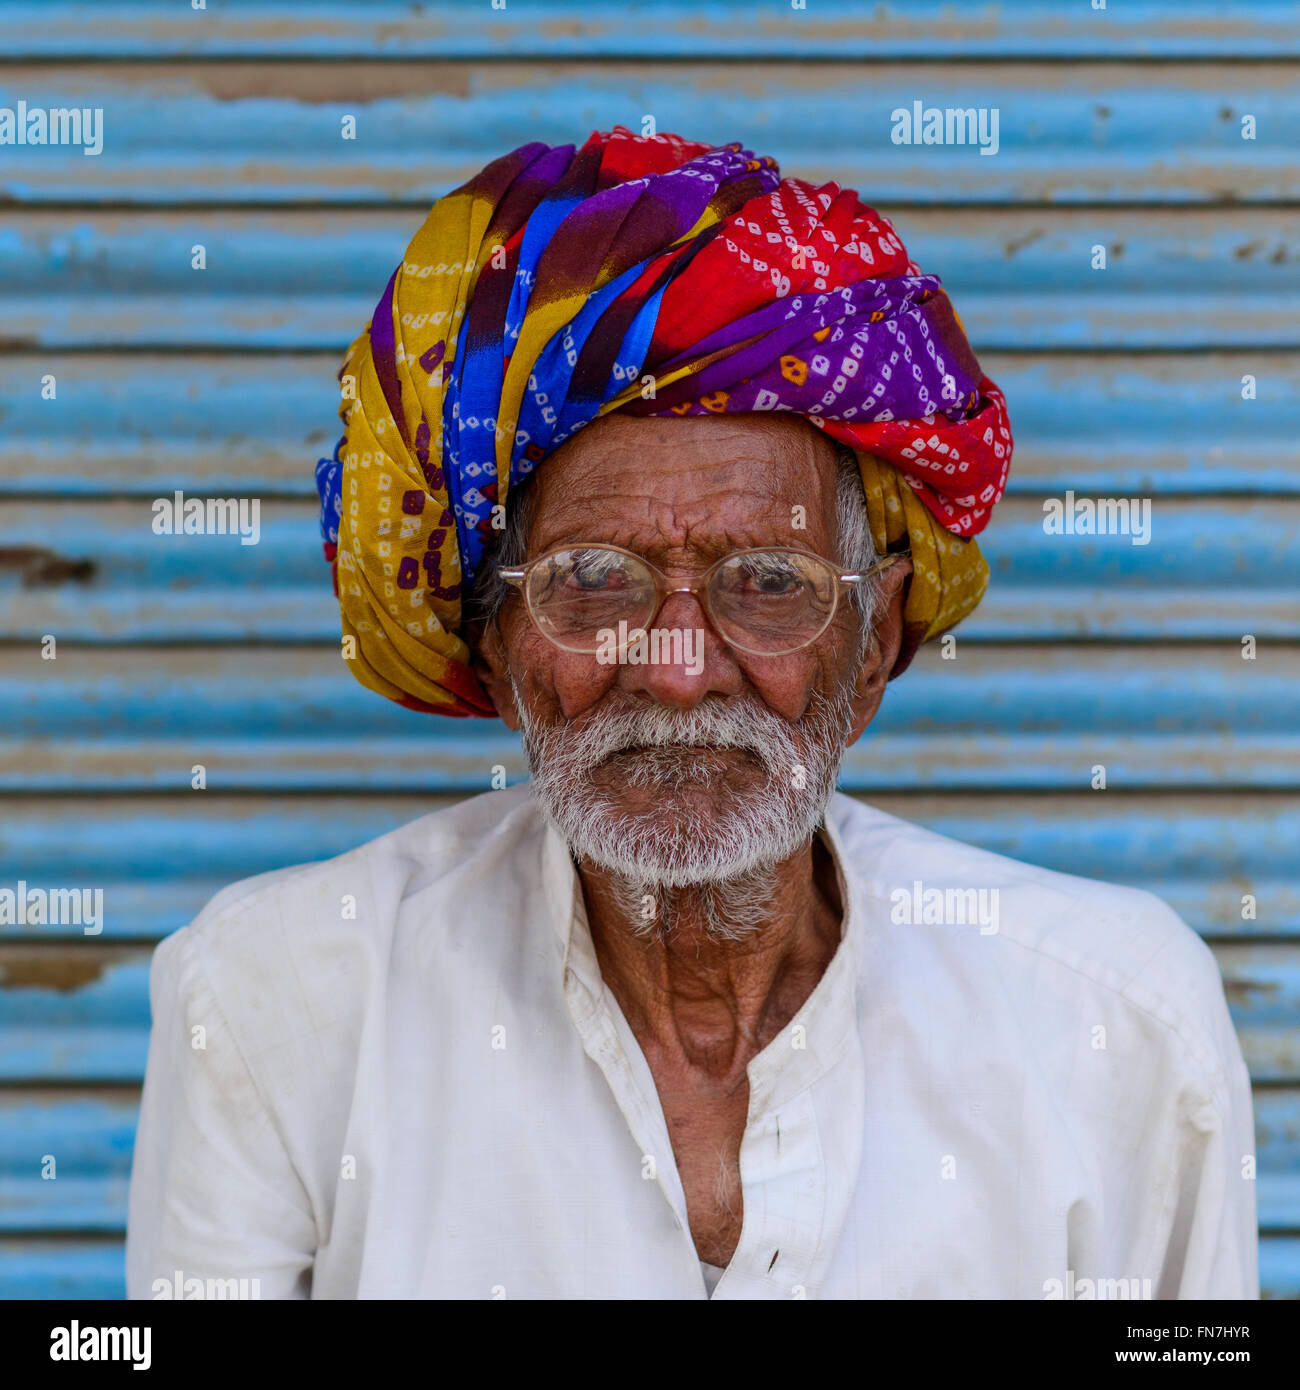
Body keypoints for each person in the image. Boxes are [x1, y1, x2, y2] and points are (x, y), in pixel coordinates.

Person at [126, 128, 1256, 1299]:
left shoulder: (1115, 1025)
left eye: (768, 583)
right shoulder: (274, 1009)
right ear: (502, 643)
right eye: (592, 582)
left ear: (871, 647)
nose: (674, 669)